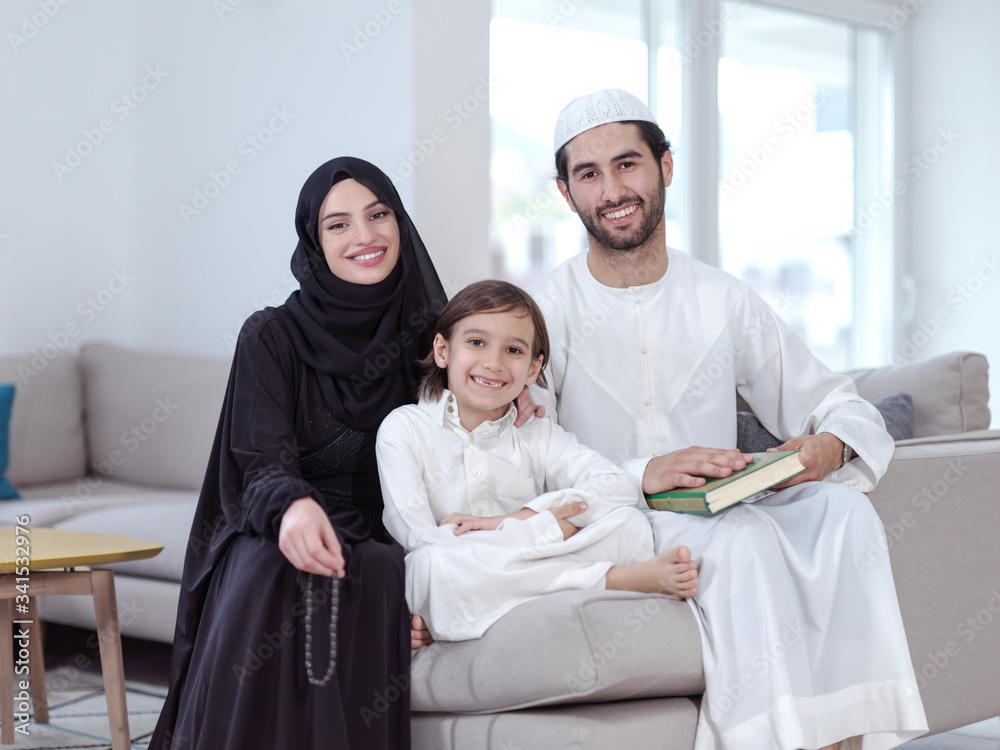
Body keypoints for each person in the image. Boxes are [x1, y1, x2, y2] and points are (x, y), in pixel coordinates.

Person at [529, 89, 929, 750]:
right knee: (740, 544)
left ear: (666, 166)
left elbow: (837, 400)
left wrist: (826, 448)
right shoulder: (541, 314)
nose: (612, 190)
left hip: (723, 505)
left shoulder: (722, 299)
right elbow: (530, 462)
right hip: (615, 520)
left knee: (844, 515)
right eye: (589, 174)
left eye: (627, 164)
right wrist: (642, 475)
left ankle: (848, 737)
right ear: (566, 194)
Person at [148, 157, 447, 750]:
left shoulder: (435, 336)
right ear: (314, 242)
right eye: (338, 225)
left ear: (399, 223)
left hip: (387, 534)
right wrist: (293, 509)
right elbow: (259, 458)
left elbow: (473, 423)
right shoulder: (271, 335)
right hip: (280, 523)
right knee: (275, 567)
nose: (364, 236)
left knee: (378, 570)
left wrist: (513, 404)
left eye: (378, 214)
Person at [375, 280, 698, 642]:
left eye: (513, 350)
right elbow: (421, 539)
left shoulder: (536, 431)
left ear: (532, 369)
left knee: (628, 523)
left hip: (516, 566)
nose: (493, 363)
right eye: (476, 342)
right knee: (428, 568)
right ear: (442, 350)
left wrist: (518, 519)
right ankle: (610, 580)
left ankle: (477, 610)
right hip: (461, 565)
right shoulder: (402, 429)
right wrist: (539, 531)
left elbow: (616, 484)